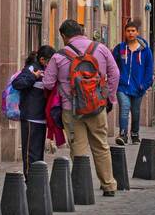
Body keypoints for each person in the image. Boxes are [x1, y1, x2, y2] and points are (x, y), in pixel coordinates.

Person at [40, 19, 120, 196]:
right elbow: (115, 74)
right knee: (101, 146)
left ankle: (81, 187)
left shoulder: (59, 56)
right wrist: (108, 98)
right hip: (97, 107)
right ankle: (108, 185)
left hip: (71, 109)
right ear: (81, 32)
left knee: (78, 148)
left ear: (63, 36)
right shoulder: (100, 49)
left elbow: (47, 83)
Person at [11, 45, 56, 175]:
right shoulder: (32, 68)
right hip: (30, 117)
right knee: (30, 151)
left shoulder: (47, 70)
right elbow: (17, 83)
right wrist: (33, 77)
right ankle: (29, 178)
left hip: (41, 118)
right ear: (42, 59)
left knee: (38, 151)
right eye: (50, 61)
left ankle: (37, 178)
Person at [111, 19, 154, 146]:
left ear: (137, 32)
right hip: (122, 86)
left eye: (133, 31)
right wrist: (115, 81)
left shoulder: (145, 50)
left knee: (135, 111)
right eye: (128, 31)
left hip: (138, 87)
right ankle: (123, 134)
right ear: (125, 33)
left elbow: (149, 68)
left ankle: (134, 134)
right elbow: (112, 65)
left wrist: (145, 84)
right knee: (124, 108)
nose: (130, 33)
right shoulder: (119, 49)